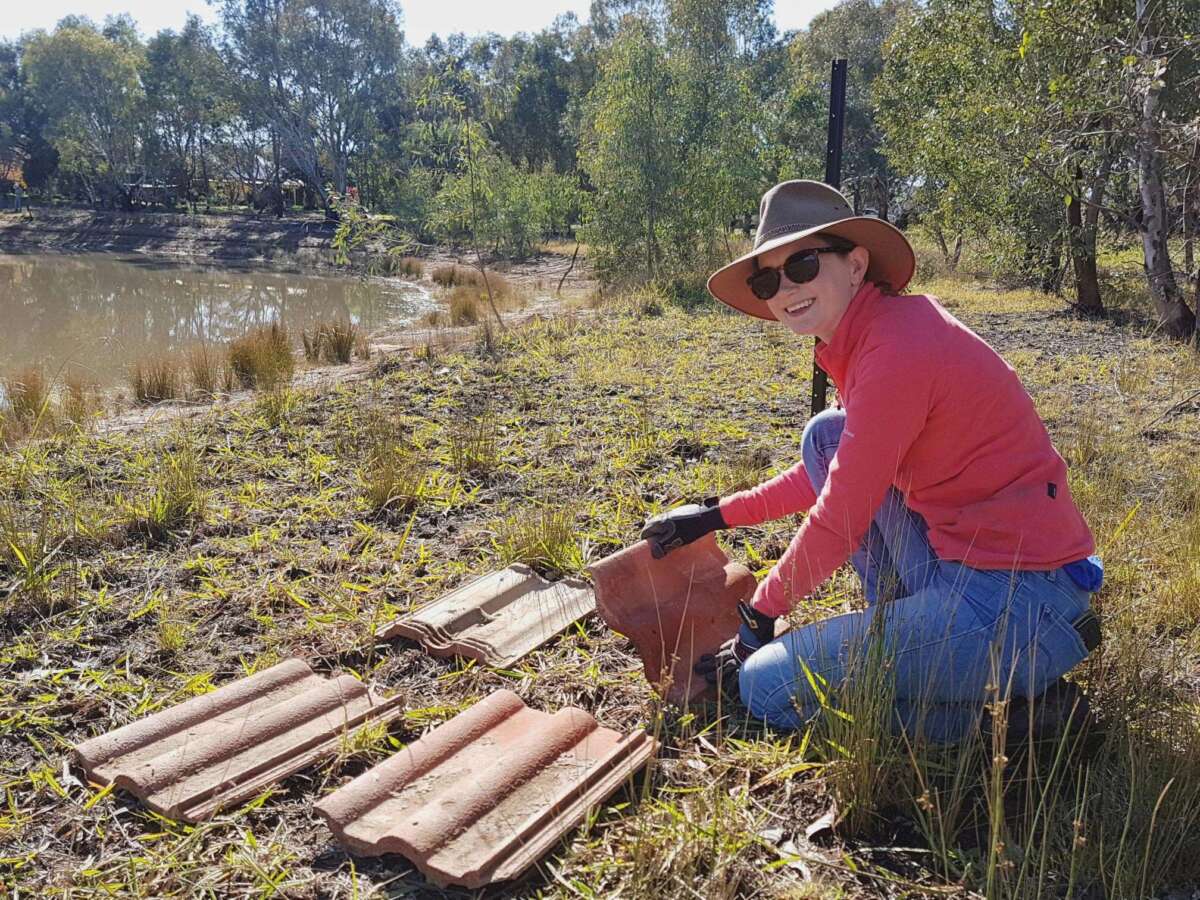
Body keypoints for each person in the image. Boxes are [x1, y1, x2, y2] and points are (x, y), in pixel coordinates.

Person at [641, 180, 1103, 744]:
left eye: (803, 264)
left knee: (766, 686)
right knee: (826, 437)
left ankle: (1014, 724)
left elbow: (840, 516)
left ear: (856, 264)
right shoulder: (879, 333)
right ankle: (916, 642)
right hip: (976, 574)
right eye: (768, 280)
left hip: (1021, 606)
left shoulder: (898, 350)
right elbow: (838, 472)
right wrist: (712, 516)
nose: (786, 288)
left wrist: (756, 621)